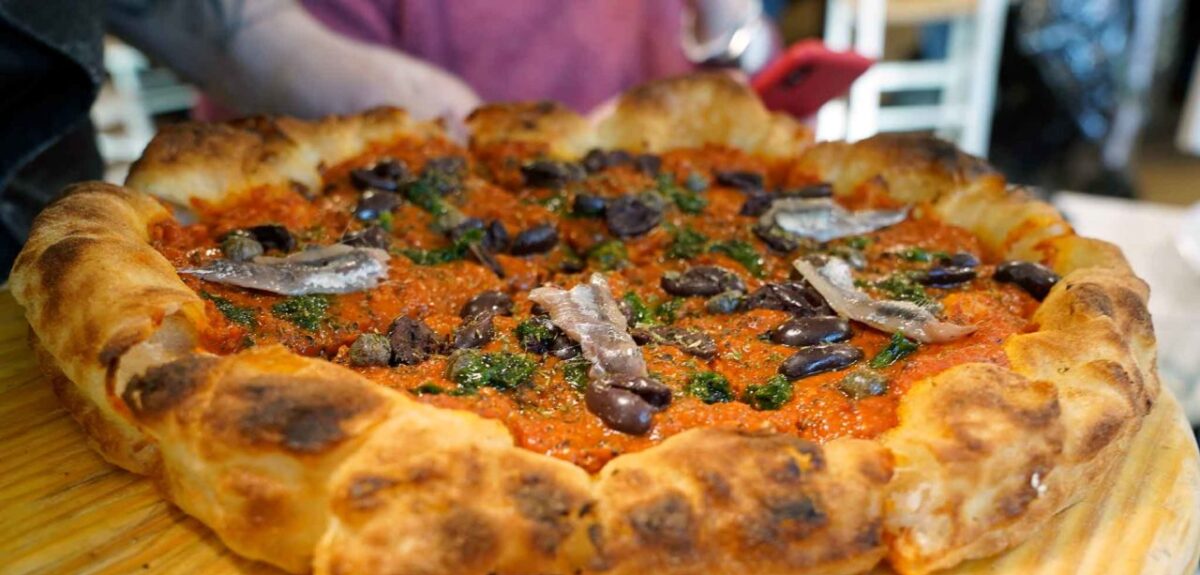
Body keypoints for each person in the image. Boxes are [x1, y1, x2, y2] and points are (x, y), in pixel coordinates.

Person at [0, 0, 774, 273]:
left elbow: (750, 45)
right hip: (322, 178)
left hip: (673, 172)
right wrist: (408, 126)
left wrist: (734, 35)